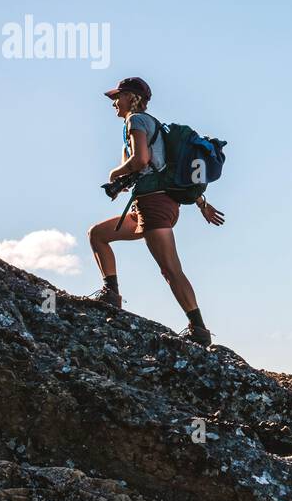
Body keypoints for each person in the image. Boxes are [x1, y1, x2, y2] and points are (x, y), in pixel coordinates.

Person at [87, 76, 224, 346]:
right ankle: (111, 294)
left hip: (154, 204)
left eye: (118, 96)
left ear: (131, 98)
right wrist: (202, 205)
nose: (114, 102)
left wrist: (115, 173)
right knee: (97, 234)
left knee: (170, 269)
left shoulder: (136, 121)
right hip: (152, 204)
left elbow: (141, 160)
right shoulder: (152, 125)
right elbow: (164, 169)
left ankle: (198, 329)